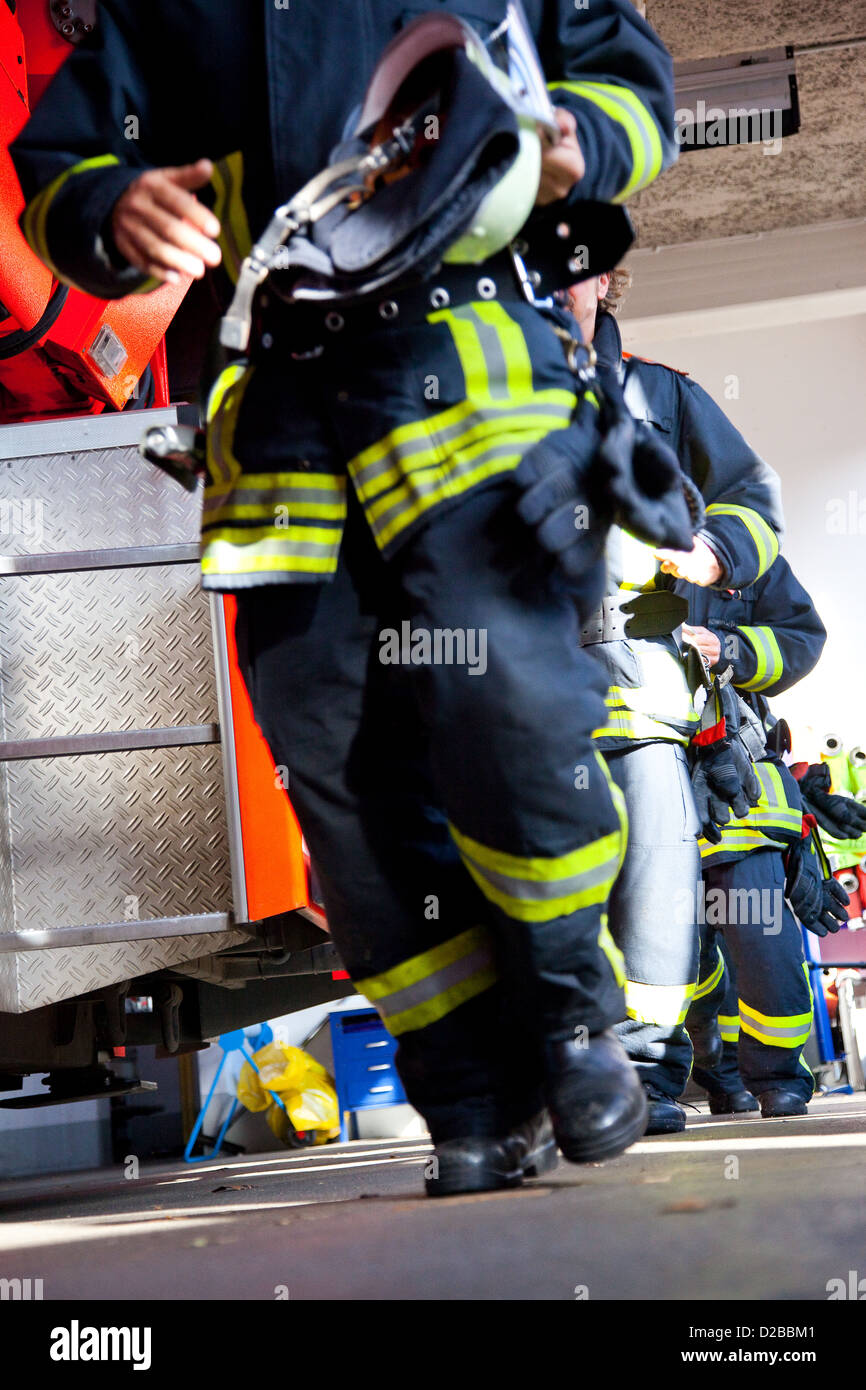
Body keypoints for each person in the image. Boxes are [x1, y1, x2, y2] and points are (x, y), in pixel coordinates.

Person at [11, 2, 681, 1194]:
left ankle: (573, 1016)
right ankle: (470, 1088)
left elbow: (627, 82)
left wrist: (582, 134)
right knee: (339, 780)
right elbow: (65, 162)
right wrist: (113, 207)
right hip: (278, 430)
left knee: (509, 715)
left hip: (472, 399)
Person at [561, 269, 783, 1133]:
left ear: (609, 280)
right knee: (551, 889)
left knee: (655, 890)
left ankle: (648, 1079)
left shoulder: (664, 396)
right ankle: (563, 1075)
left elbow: (752, 497)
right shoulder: (492, 388)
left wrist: (718, 550)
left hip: (642, 695)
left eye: (576, 264)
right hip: (527, 689)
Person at [680, 556, 838, 1117]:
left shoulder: (739, 555)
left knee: (764, 948)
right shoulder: (598, 554)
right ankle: (713, 1075)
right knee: (678, 961)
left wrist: (729, 650)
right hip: (641, 799)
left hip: (738, 801)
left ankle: (776, 1078)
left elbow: (801, 637)